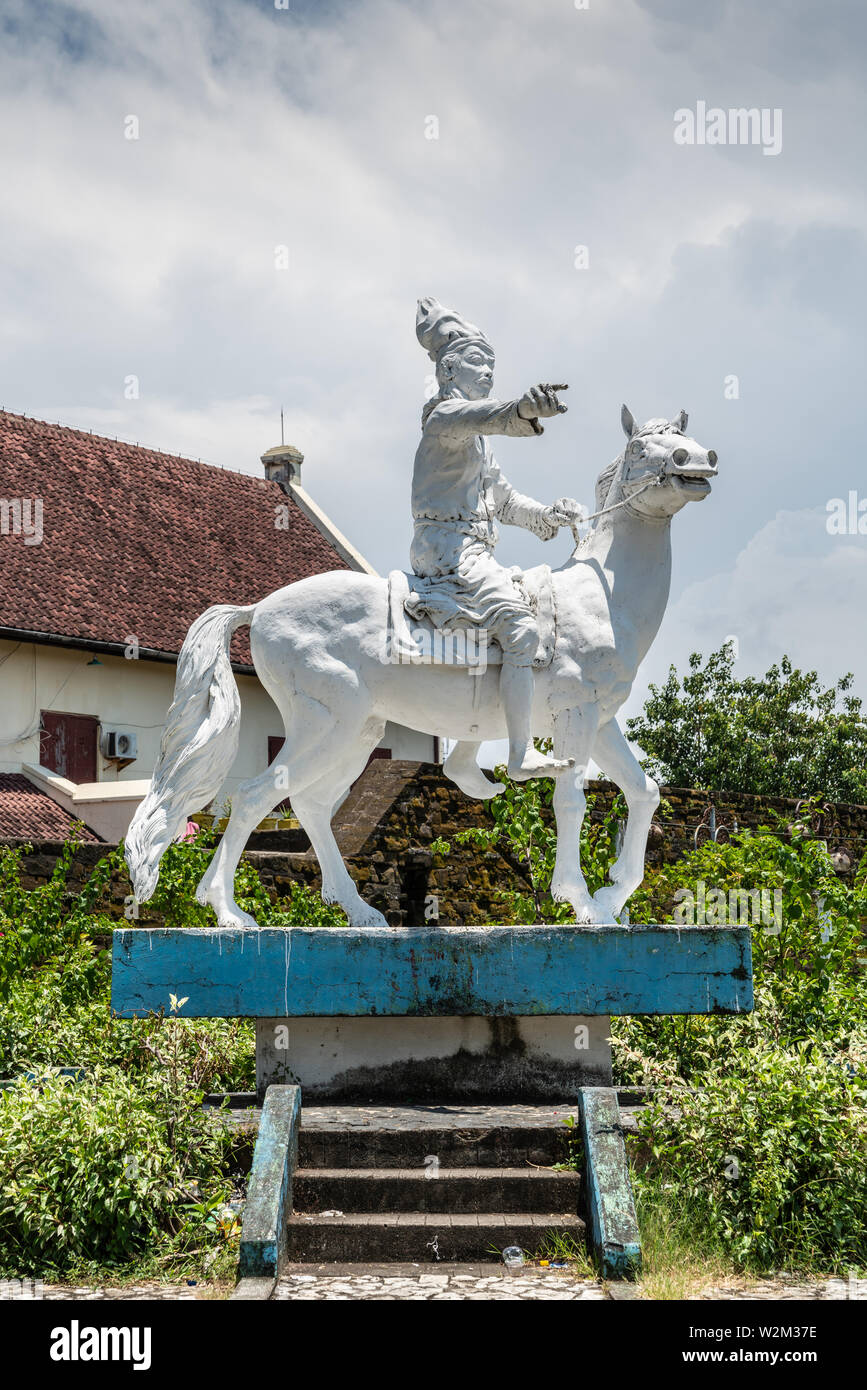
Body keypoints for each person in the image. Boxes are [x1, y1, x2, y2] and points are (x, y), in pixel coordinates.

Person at [408, 296, 584, 780]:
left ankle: (463, 755)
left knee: (524, 616)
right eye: (476, 362)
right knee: (523, 633)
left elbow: (504, 502)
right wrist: (524, 407)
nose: (487, 372)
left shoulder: (478, 437)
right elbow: (491, 415)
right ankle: (520, 753)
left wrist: (548, 513)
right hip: (449, 552)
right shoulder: (445, 418)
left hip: (476, 553)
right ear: (448, 368)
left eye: (492, 364)